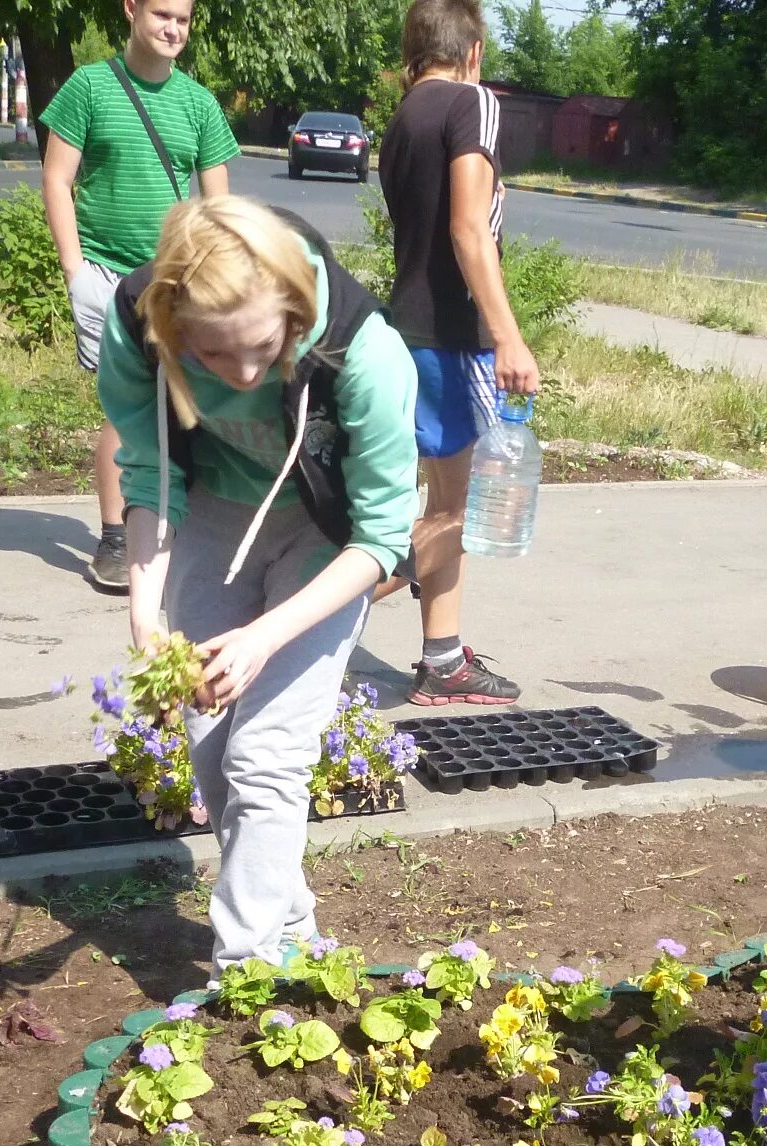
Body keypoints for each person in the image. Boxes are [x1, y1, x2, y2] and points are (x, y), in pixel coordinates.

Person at [96, 196, 418, 965]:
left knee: (265, 758)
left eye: (262, 349)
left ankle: (243, 976)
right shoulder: (138, 322)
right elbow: (148, 474)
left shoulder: (364, 353)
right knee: (211, 750)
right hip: (213, 515)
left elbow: (381, 539)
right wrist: (146, 618)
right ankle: (293, 930)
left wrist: (265, 637)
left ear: (295, 311)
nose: (240, 375)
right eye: (211, 357)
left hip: (325, 539)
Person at [40, 0, 238, 594]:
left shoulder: (199, 104)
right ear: (130, 10)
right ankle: (116, 538)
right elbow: (56, 178)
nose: (173, 28)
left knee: (191, 404)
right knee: (126, 411)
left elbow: (218, 208)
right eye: (161, 15)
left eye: (182, 18)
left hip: (179, 280)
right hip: (108, 276)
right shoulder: (90, 87)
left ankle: (184, 525)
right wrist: (75, 271)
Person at [373, 0, 539, 706]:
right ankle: (311, 603)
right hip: (453, 337)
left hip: (404, 332)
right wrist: (507, 335)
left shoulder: (404, 116)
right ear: (472, 50)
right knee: (465, 511)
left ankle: (442, 659)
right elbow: (470, 230)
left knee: (444, 498)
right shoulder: (473, 102)